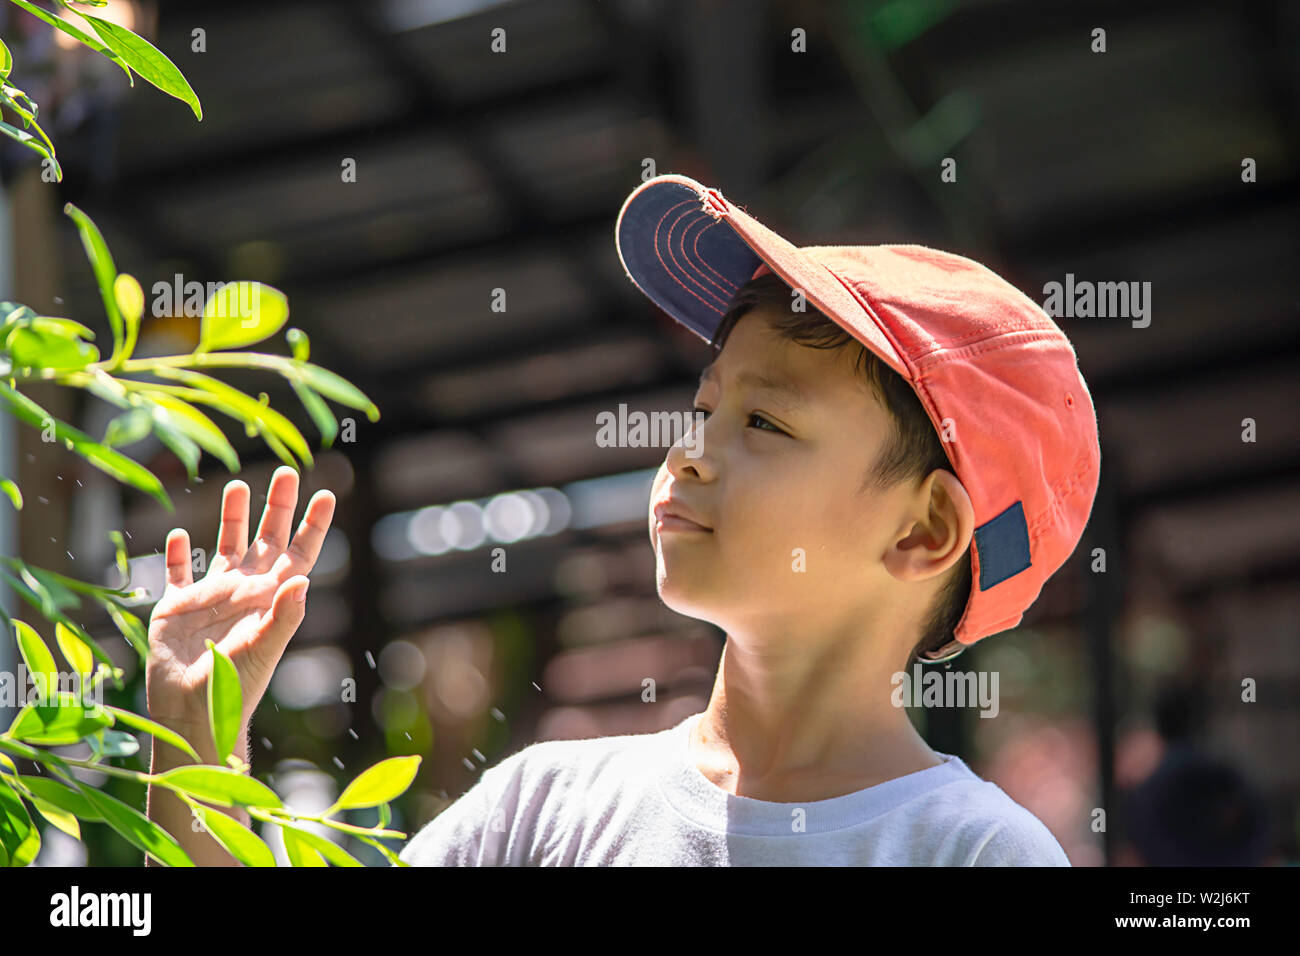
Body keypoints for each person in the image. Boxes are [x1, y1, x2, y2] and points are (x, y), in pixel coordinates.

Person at [145, 173, 1101, 866]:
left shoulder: (973, 854)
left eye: (764, 420)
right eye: (703, 408)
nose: (688, 451)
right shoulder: (542, 809)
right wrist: (196, 736)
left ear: (924, 532)